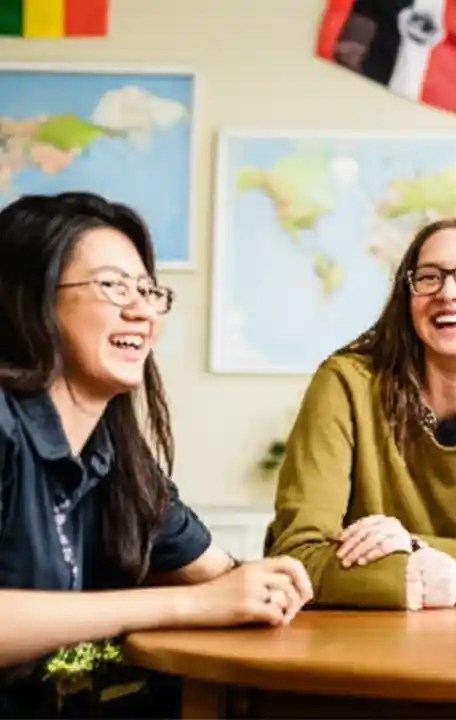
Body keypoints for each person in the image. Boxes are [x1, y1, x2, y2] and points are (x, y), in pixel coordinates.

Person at [0, 193, 313, 716]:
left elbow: (219, 576)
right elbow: (202, 597)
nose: (142, 310)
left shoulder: (118, 457)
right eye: (113, 286)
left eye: (148, 290)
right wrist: (186, 605)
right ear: (29, 298)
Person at [265, 218, 456, 610]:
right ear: (409, 302)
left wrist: (409, 545)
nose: (449, 292)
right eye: (428, 278)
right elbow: (299, 554)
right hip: (341, 637)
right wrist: (451, 575)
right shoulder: (344, 383)